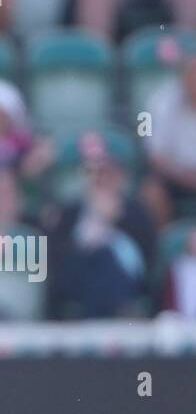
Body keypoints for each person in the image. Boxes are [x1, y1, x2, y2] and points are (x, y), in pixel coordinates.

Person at [46, 135, 156, 319]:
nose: (101, 178)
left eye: (107, 172)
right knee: (96, 259)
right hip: (79, 280)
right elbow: (57, 258)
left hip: (123, 282)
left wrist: (115, 220)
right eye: (94, 172)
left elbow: (147, 257)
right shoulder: (69, 212)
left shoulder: (135, 211)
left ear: (121, 175)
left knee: (105, 259)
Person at [140, 55, 196, 229]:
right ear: (182, 77)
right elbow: (155, 156)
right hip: (173, 176)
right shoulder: (159, 101)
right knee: (151, 192)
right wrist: (183, 175)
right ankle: (163, 250)